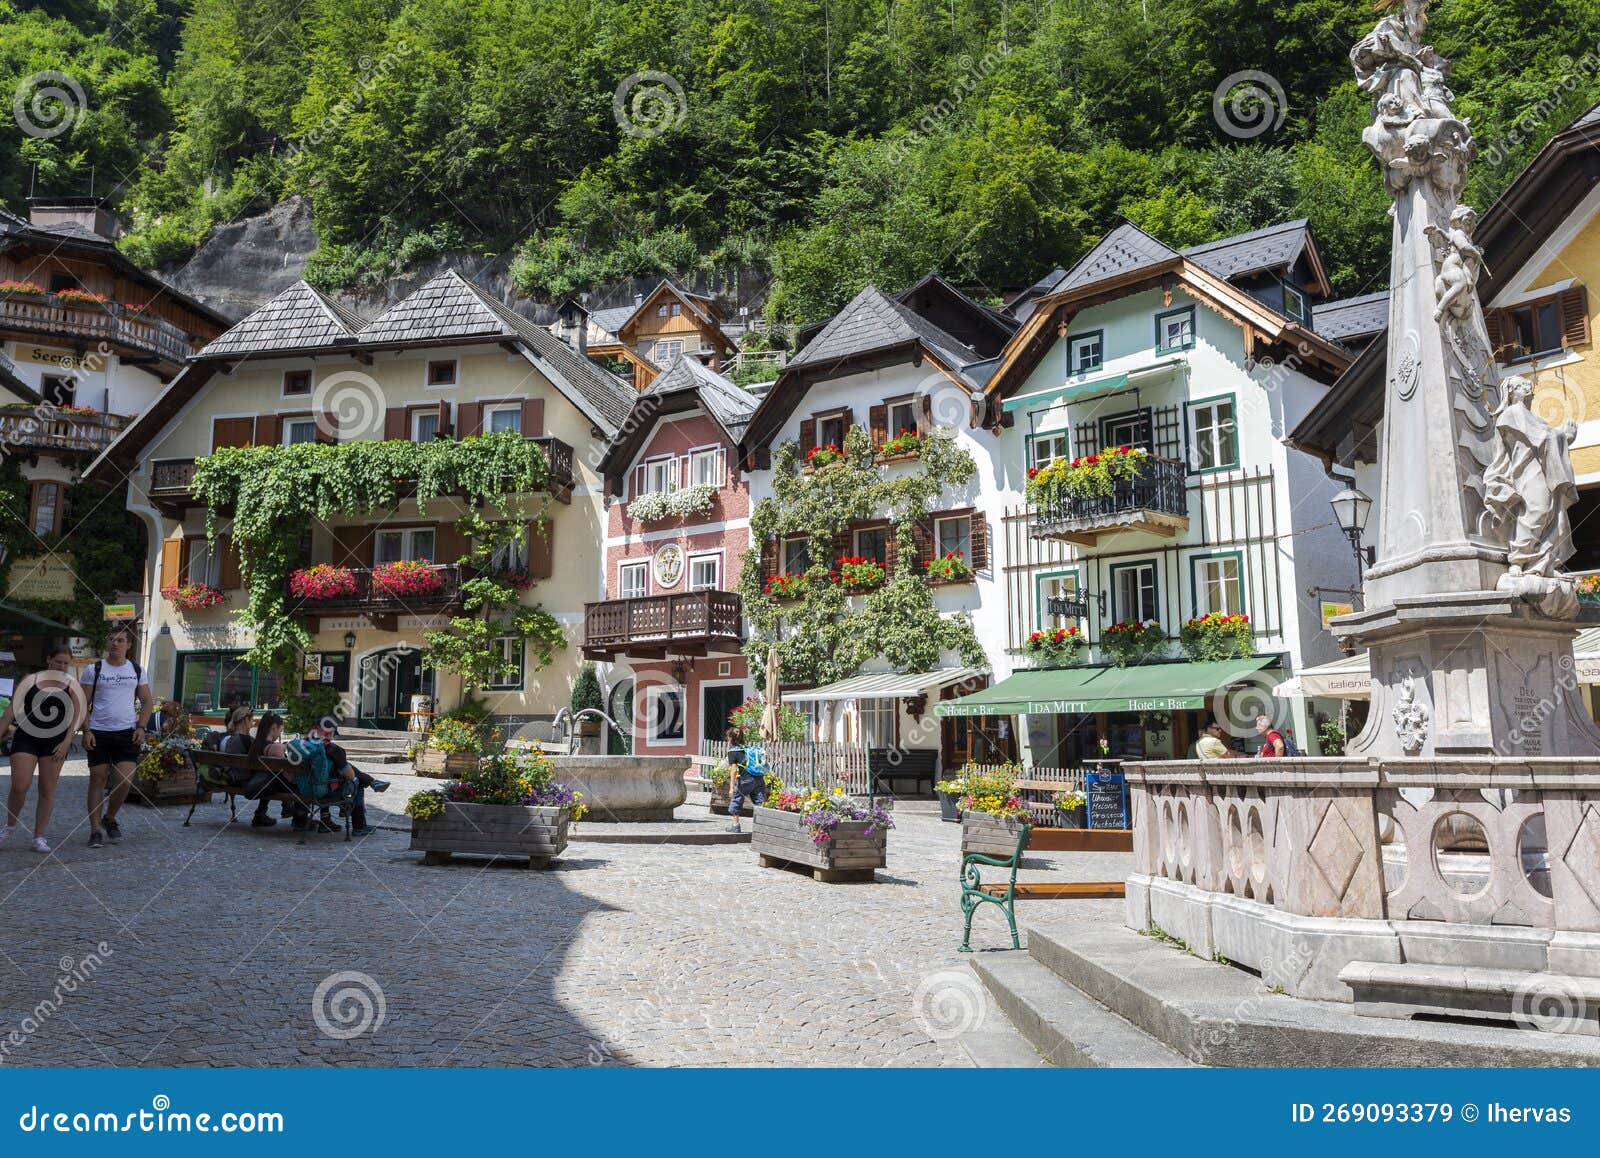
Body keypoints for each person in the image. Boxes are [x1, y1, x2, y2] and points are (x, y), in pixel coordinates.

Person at [0, 646, 86, 853]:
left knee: (47, 789)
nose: (62, 666)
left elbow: (77, 716)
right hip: (26, 737)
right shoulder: (31, 680)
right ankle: (9, 827)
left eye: (66, 663)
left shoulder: (72, 685)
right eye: (58, 662)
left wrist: (67, 742)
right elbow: (10, 713)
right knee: (20, 785)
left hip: (55, 742)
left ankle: (38, 836)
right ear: (48, 659)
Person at [79, 626, 154, 849]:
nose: (115, 643)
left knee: (124, 780)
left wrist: (141, 726)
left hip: (127, 732)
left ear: (128, 645)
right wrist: (86, 731)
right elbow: (83, 703)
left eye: (120, 640)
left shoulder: (137, 670)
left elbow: (147, 701)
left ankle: (109, 817)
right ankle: (94, 830)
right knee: (97, 778)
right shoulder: (94, 670)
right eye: (112, 639)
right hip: (99, 731)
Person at [309, 718, 388, 836]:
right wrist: (355, 779)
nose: (333, 737)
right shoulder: (333, 749)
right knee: (357, 784)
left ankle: (318, 821)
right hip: (323, 791)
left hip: (302, 790)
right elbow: (350, 776)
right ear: (330, 732)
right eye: (333, 734)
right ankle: (359, 827)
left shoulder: (303, 745)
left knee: (336, 773)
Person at [724, 726, 768, 833]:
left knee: (736, 799)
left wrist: (731, 788)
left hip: (746, 780)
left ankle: (736, 826)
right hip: (758, 778)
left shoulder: (733, 751)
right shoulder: (748, 749)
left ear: (730, 738)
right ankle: (761, 829)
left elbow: (734, 770)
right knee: (760, 802)